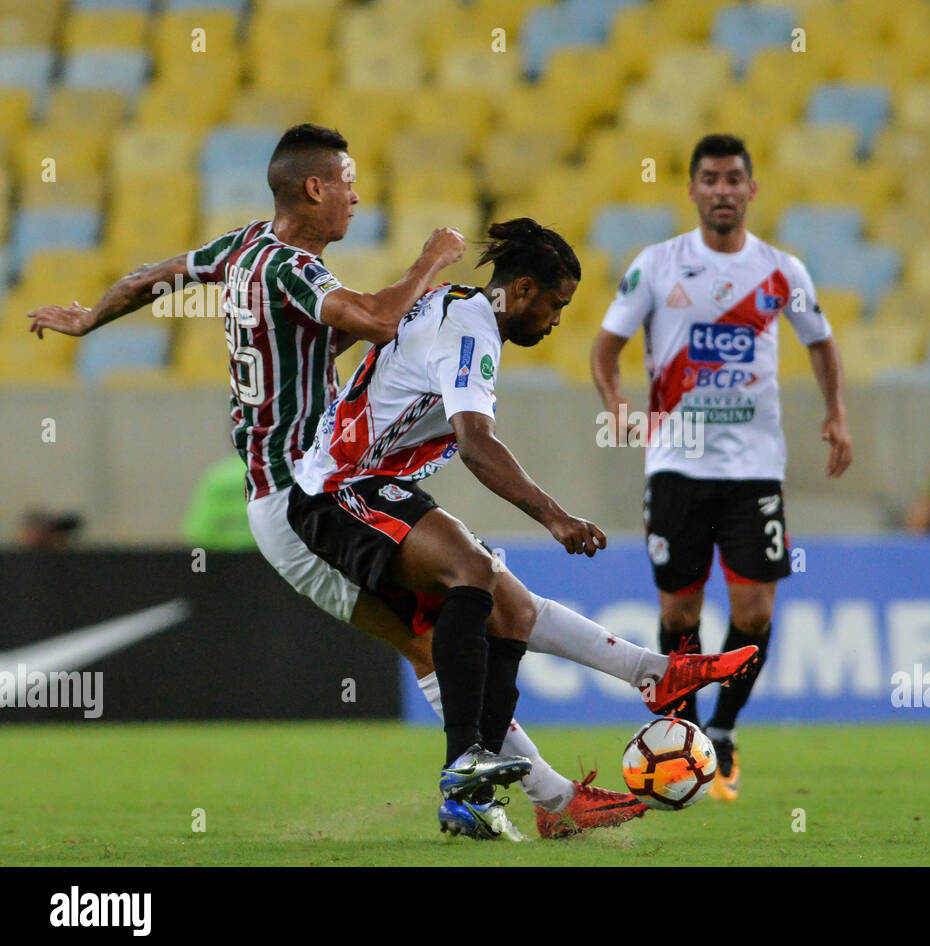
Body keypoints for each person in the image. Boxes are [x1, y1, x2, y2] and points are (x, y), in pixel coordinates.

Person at [28, 125, 726, 840]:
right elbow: (378, 318)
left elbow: (154, 277)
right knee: (467, 589)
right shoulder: (291, 267)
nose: (357, 199)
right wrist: (430, 255)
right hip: (303, 492)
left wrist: (89, 317)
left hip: (318, 485)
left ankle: (604, 721)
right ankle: (494, 777)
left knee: (501, 606)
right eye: (348, 183)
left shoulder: (239, 250)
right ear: (314, 188)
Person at [288, 218, 758, 836]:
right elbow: (477, 444)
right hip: (337, 489)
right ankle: (468, 763)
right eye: (557, 305)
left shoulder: (451, 306)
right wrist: (554, 516)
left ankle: (640, 688)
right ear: (527, 289)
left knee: (509, 609)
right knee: (474, 573)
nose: (558, 320)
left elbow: (363, 339)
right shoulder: (470, 329)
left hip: (377, 484)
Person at [590, 133, 853, 801]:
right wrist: (615, 399)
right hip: (676, 464)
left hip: (755, 467)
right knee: (680, 612)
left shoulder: (782, 272)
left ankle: (725, 728)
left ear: (752, 189)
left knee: (755, 611)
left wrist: (836, 413)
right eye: (710, 178)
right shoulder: (656, 265)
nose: (723, 190)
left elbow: (821, 344)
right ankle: (684, 734)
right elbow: (605, 346)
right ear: (692, 189)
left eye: (735, 178)